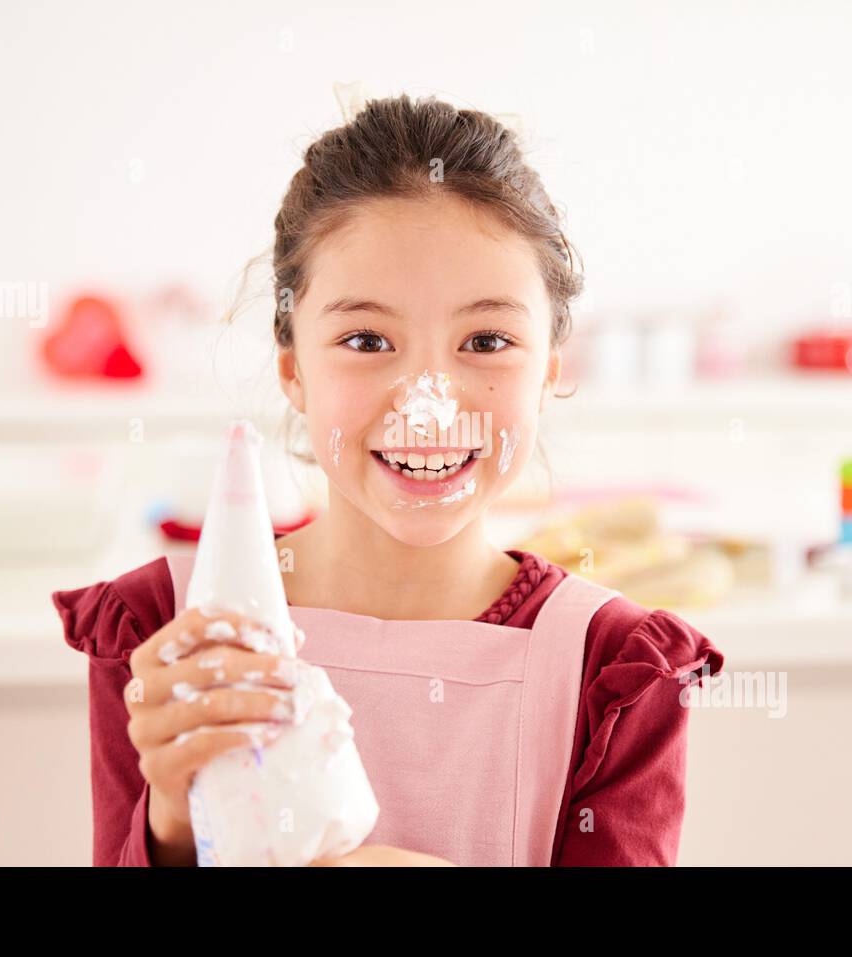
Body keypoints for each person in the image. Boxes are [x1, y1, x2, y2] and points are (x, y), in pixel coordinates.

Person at [52, 93, 724, 867]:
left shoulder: (613, 672)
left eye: (486, 339)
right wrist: (172, 817)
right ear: (292, 370)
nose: (428, 403)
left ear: (548, 372)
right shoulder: (165, 628)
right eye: (367, 339)